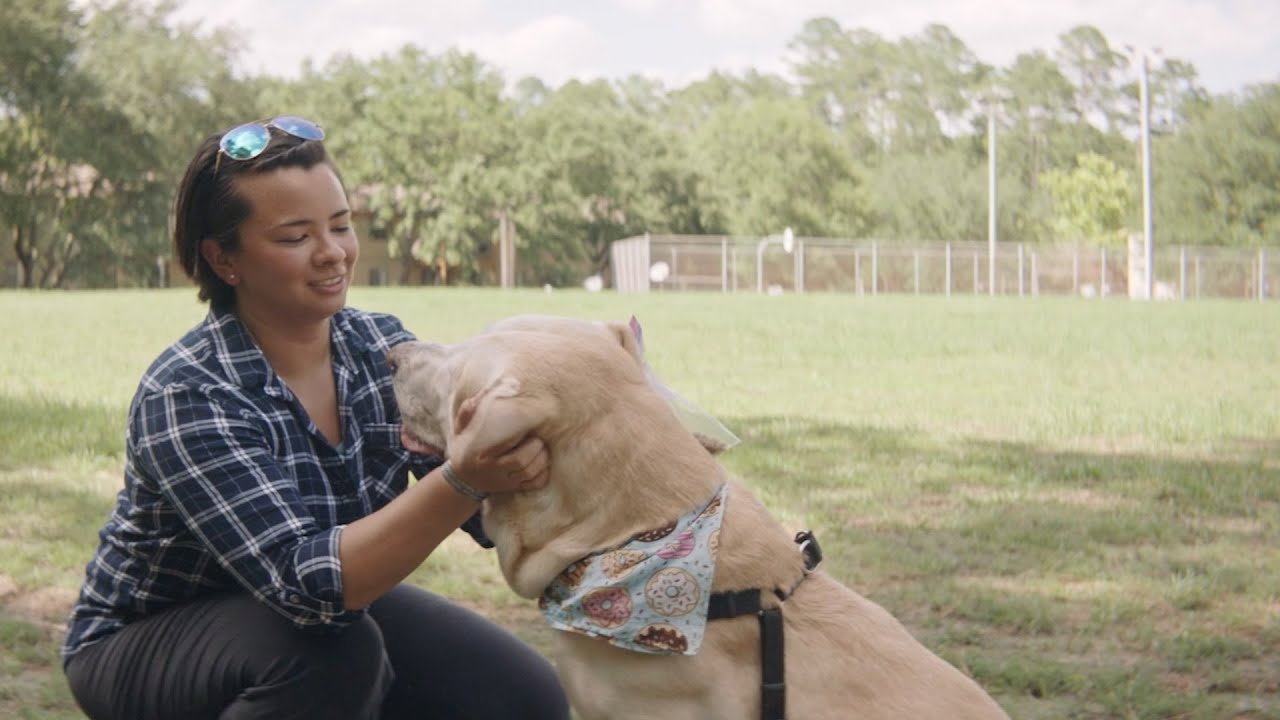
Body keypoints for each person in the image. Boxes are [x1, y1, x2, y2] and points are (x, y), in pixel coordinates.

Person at [61, 116, 571, 720]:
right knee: (332, 660)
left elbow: (486, 503)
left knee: (523, 697)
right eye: (295, 237)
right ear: (224, 259)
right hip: (148, 639)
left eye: (341, 225)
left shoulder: (378, 348)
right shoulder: (189, 390)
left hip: (320, 614)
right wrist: (466, 480)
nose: (333, 253)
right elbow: (309, 590)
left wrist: (572, 497)